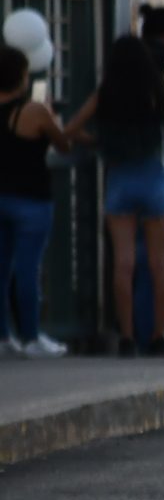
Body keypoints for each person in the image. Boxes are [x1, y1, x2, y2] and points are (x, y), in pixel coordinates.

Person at [65, 36, 164, 354]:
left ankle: (126, 336)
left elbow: (71, 129)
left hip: (119, 180)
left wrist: (98, 143)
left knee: (123, 264)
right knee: (158, 263)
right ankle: (158, 335)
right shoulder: (156, 93)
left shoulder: (105, 94)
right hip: (154, 179)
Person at [0, 44, 70, 356]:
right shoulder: (33, 111)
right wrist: (52, 114)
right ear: (21, 77)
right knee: (28, 268)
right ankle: (31, 336)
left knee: (1, 269)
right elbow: (63, 143)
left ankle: (3, 337)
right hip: (31, 199)